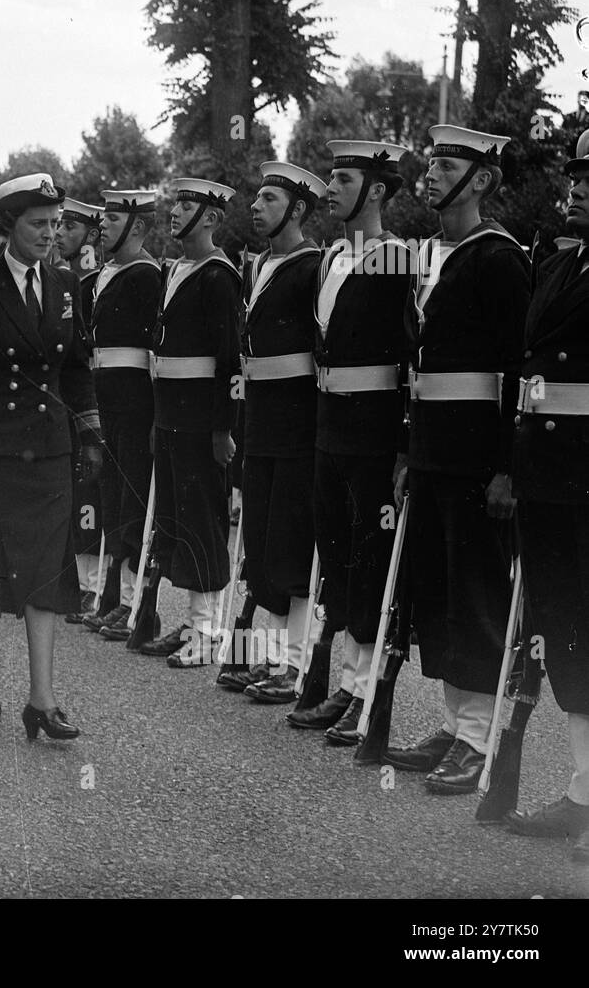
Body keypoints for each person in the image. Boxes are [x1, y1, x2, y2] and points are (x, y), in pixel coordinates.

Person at [385, 125, 531, 794]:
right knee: (439, 589)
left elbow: (517, 370)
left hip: (477, 457)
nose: (431, 175)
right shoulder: (430, 256)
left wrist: (508, 466)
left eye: (447, 166)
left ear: (482, 180)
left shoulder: (499, 259)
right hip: (434, 450)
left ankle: (479, 738)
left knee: (475, 592)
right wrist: (409, 451)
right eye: (432, 164)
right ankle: (455, 722)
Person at [0, 173, 103, 737]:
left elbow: (76, 368)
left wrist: (90, 434)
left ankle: (42, 698)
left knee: (44, 570)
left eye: (56, 224)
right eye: (38, 224)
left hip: (49, 447)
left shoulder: (66, 286)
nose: (50, 234)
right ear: (9, 226)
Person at [289, 141, 412, 739]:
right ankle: (341, 678)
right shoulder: (332, 256)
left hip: (373, 432)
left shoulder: (396, 259)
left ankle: (362, 689)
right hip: (329, 428)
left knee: (369, 560)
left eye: (344, 180)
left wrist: (404, 445)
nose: (331, 189)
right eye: (332, 178)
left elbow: (410, 354)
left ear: (377, 191)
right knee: (336, 556)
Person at [505, 128, 589, 862]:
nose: (580, 187)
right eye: (578, 174)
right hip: (551, 474)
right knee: (568, 634)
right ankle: (584, 793)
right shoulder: (562, 264)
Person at [235, 161, 326, 702]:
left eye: (269, 199)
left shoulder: (313, 266)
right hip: (261, 424)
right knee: (264, 543)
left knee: (292, 545)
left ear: (296, 210)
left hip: (297, 426)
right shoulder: (258, 266)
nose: (255, 206)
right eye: (257, 197)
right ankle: (272, 658)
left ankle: (295, 665)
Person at [143, 178, 242, 667]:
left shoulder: (219, 276)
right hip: (171, 417)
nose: (176, 210)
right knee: (177, 520)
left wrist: (223, 429)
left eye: (187, 204)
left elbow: (230, 362)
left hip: (202, 421)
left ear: (211, 218)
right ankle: (193, 622)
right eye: (176, 202)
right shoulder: (175, 269)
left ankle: (208, 633)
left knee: (203, 522)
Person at [87, 189, 163, 641]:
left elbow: (155, 351)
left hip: (136, 403)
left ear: (137, 227)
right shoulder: (108, 272)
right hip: (108, 400)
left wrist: (155, 416)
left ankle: (136, 602)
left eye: (112, 219)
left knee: (134, 501)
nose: (103, 225)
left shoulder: (146, 275)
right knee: (113, 496)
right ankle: (113, 595)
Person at [54, 198, 106, 619]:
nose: (58, 233)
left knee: (91, 490)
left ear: (90, 235)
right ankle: (77, 577)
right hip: (68, 397)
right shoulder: (66, 281)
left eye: (69, 228)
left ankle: (93, 583)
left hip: (95, 397)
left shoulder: (92, 282)